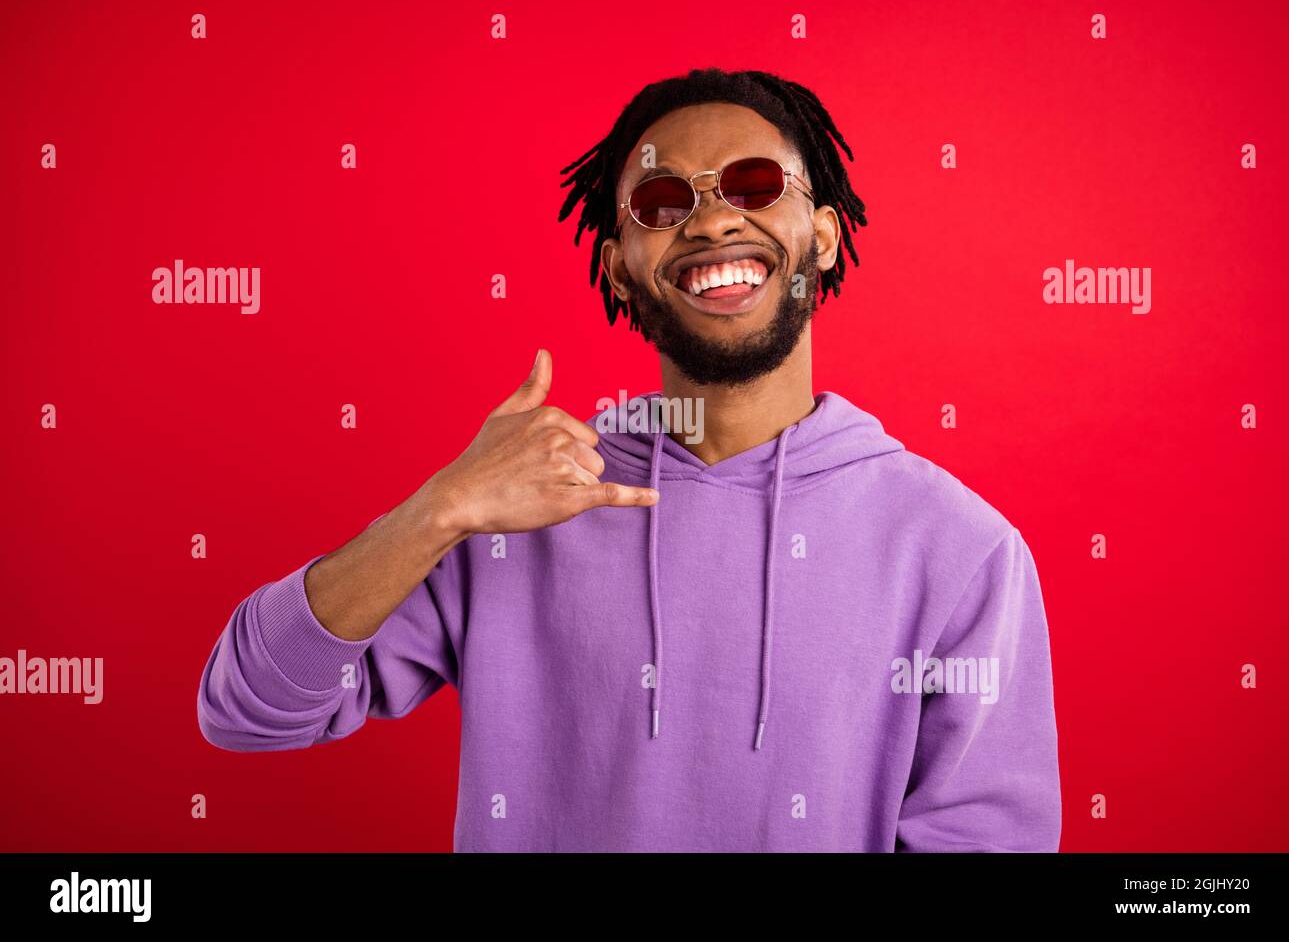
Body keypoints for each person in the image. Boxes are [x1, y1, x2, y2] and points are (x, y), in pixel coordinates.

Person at [197, 67, 1062, 852]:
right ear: (619, 269)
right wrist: (443, 508)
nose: (714, 218)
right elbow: (247, 709)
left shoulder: (959, 548)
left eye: (756, 185)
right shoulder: (519, 503)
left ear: (824, 238)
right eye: (660, 201)